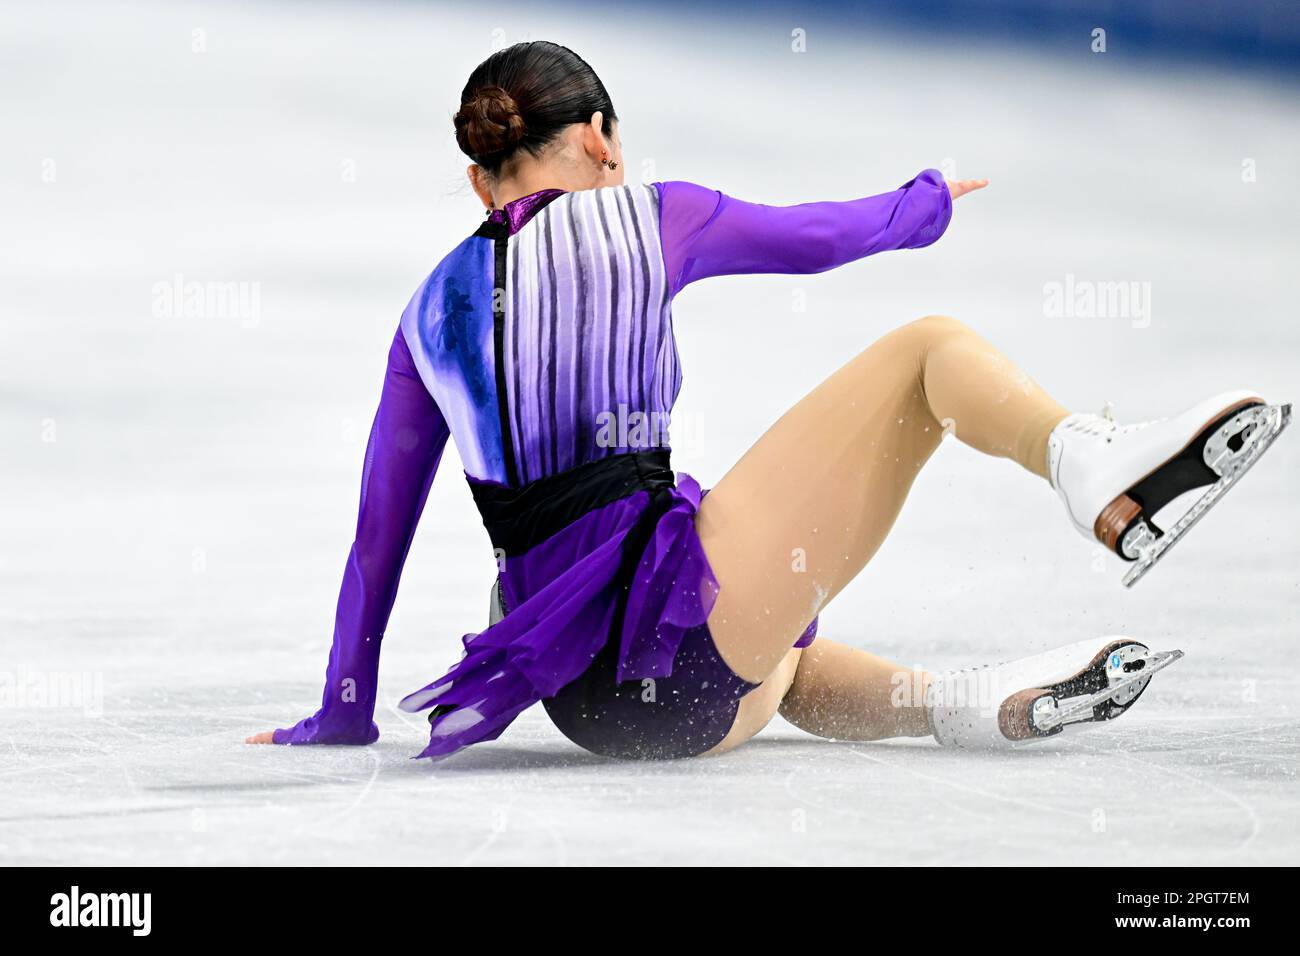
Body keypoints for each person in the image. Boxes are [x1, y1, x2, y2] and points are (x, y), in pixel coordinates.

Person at [248, 41, 1286, 760]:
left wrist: (343, 710)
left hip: (584, 697)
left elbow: (374, 543)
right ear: (602, 139)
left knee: (761, 622)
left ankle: (957, 703)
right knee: (926, 352)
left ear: (482, 184)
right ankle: (1094, 468)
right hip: (675, 653)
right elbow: (822, 235)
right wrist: (920, 204)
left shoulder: (425, 313)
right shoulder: (657, 218)